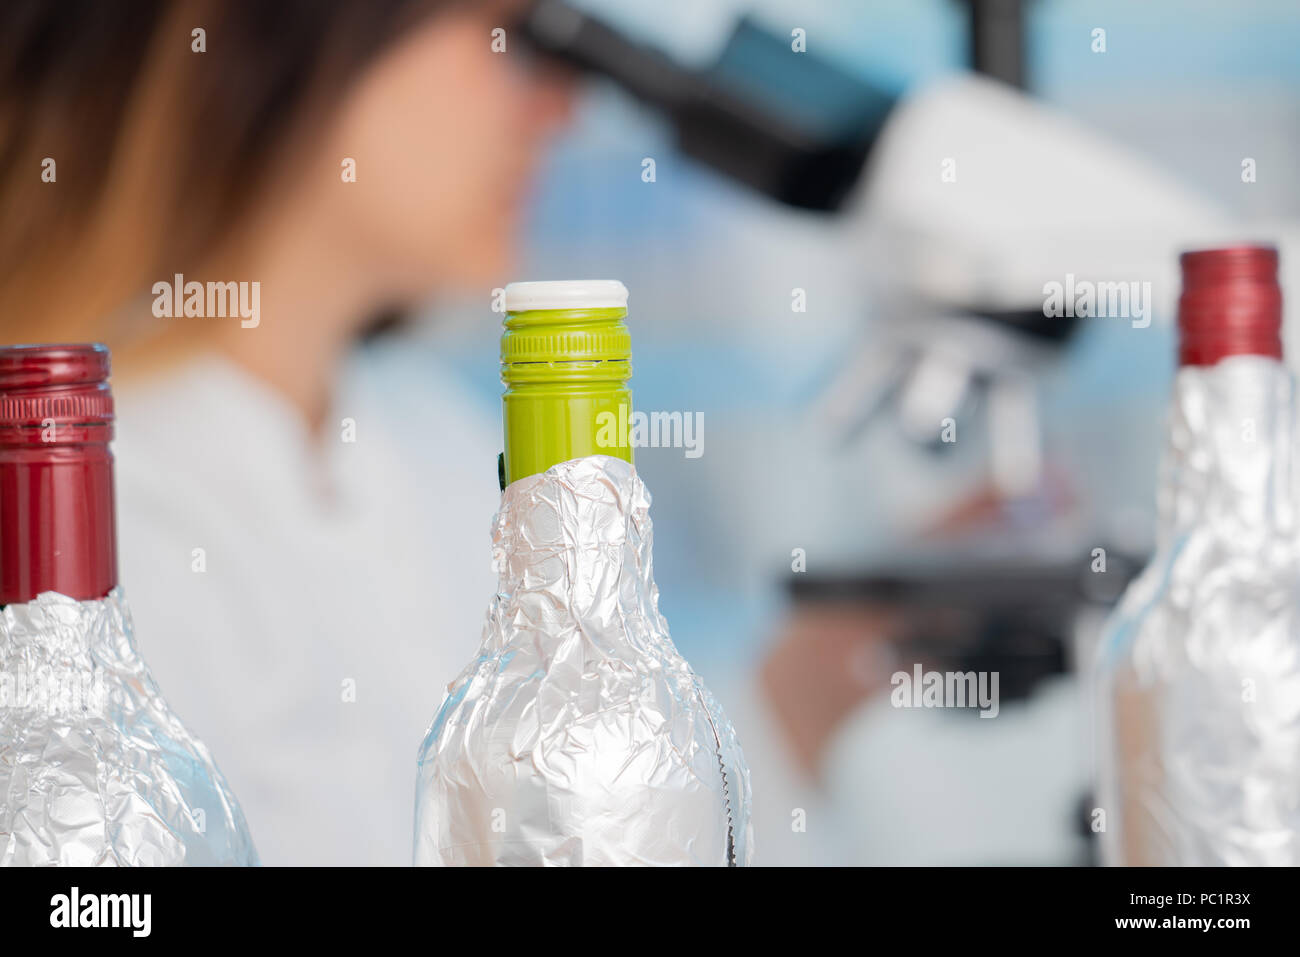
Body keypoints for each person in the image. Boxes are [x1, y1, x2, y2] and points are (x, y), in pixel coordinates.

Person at [0, 0, 574, 864]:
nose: (559, 112)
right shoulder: (59, 514)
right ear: (276, 33)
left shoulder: (454, 451)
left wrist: (790, 709)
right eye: (513, 39)